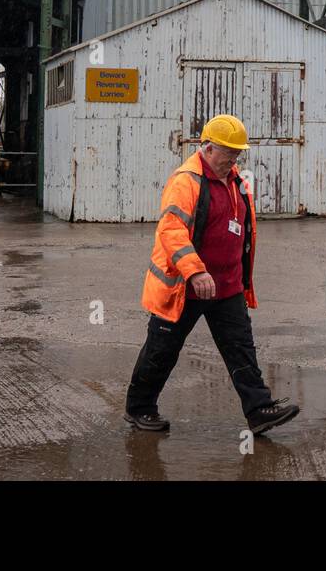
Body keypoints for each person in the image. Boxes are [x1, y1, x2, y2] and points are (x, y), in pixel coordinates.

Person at [124, 113, 299, 435]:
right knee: (161, 352)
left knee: (240, 348)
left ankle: (259, 410)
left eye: (237, 153)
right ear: (206, 148)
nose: (234, 159)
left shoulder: (236, 181)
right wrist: (195, 272)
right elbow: (171, 231)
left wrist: (239, 279)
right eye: (228, 152)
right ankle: (140, 409)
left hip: (226, 287)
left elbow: (240, 231)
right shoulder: (185, 181)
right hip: (183, 287)